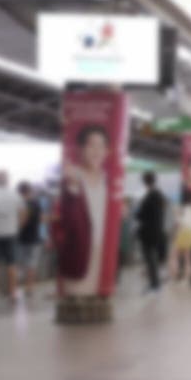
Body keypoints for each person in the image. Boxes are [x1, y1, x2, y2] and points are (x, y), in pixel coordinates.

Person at [58, 125, 110, 297]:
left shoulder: (108, 180)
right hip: (80, 248)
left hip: (103, 246)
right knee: (77, 291)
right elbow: (67, 219)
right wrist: (72, 186)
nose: (97, 151)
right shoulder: (73, 176)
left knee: (98, 293)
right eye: (91, 145)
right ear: (80, 148)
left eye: (101, 146)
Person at [135, 171, 167, 292]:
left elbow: (142, 215)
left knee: (150, 257)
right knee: (152, 257)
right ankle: (155, 283)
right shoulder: (159, 195)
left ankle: (155, 284)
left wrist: (138, 214)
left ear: (145, 182)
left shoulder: (150, 196)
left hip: (149, 232)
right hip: (157, 230)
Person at [0, 171, 22, 303]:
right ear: (7, 180)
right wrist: (18, 226)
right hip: (11, 233)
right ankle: (12, 293)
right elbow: (22, 212)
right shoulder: (14, 194)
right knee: (12, 264)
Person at [16, 182, 42, 297]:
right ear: (29, 191)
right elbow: (40, 219)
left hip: (21, 238)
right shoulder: (36, 204)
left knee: (18, 264)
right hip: (34, 238)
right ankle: (29, 288)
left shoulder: (20, 204)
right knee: (32, 264)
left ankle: (17, 288)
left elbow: (21, 220)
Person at [170, 193, 191, 281]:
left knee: (174, 255)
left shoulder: (182, 209)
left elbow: (178, 223)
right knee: (188, 257)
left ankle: (174, 276)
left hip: (182, 232)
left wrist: (175, 213)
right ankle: (187, 278)